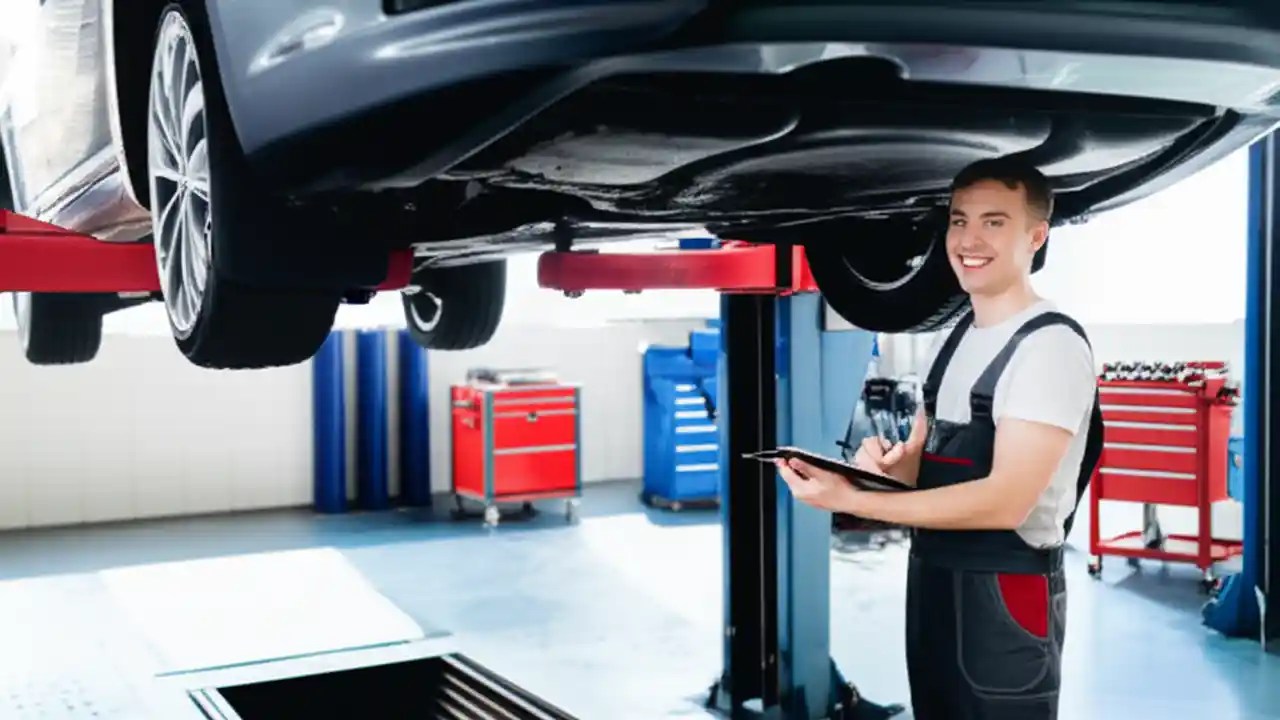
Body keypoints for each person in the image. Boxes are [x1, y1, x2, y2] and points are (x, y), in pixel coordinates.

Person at [776, 157, 1103, 719]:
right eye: (958, 221)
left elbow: (1005, 502)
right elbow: (921, 463)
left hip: (1007, 592)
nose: (969, 240)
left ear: (1036, 236)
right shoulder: (954, 339)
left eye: (994, 223)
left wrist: (853, 504)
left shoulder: (1048, 347)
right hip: (932, 580)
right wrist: (875, 469)